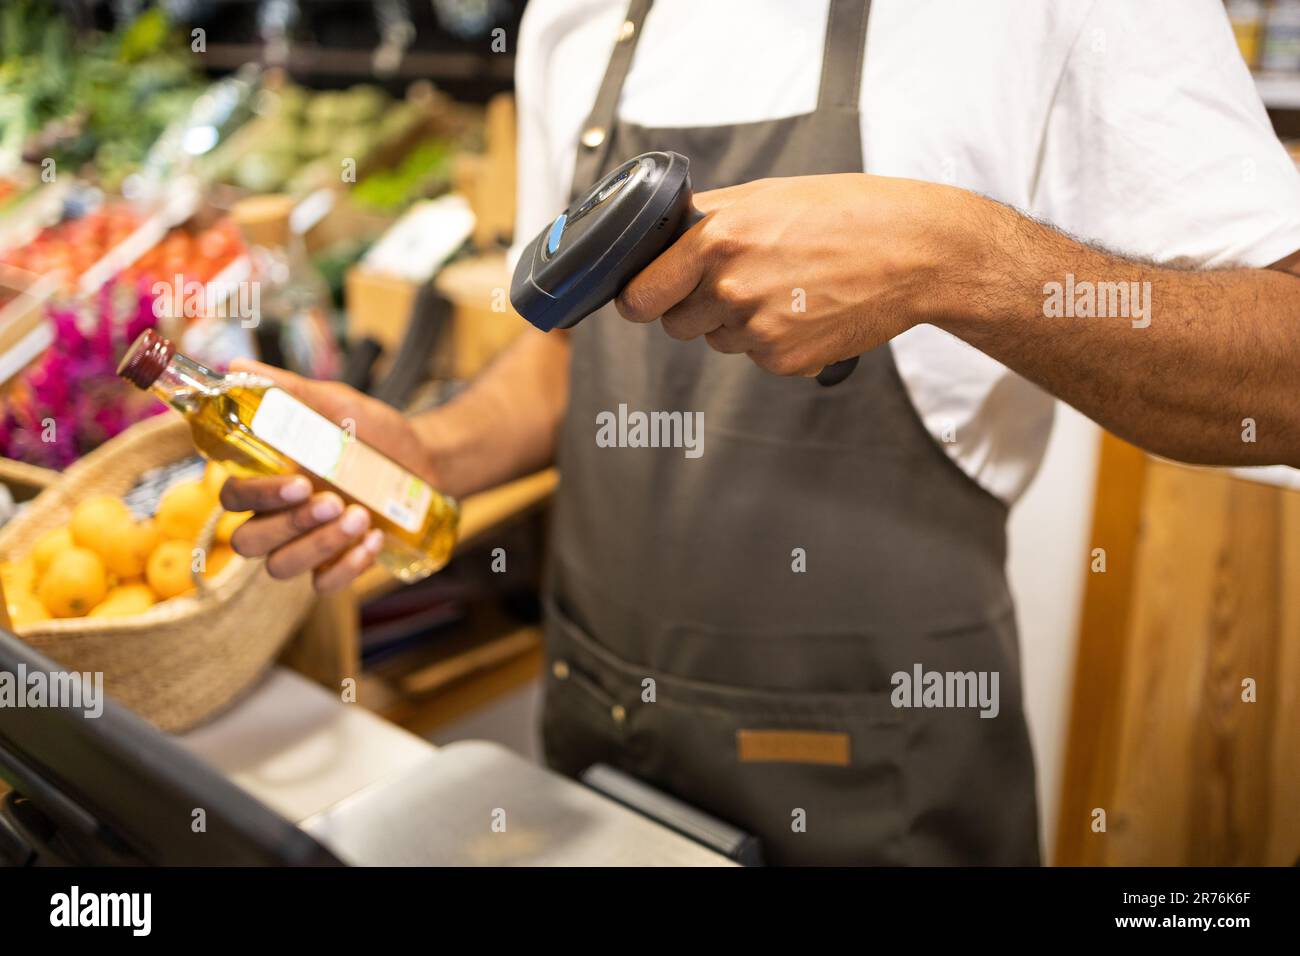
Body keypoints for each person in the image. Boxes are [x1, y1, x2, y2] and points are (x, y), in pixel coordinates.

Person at [222, 0, 1300, 865]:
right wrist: (432, 451)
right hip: (594, 748)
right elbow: (581, 343)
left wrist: (951, 255)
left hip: (880, 785)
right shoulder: (572, 21)